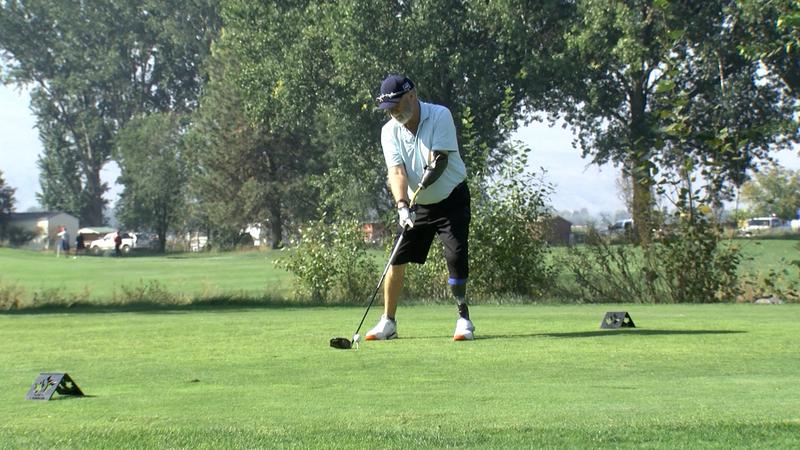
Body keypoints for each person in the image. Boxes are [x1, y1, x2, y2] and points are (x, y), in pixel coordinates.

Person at [365, 74, 475, 341]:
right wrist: (402, 205)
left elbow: (439, 162)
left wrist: (417, 192)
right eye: (388, 108)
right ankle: (388, 322)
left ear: (412, 96)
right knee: (396, 258)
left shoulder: (440, 115)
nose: (393, 112)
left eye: (396, 105)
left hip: (451, 199)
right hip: (417, 205)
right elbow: (396, 172)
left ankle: (463, 318)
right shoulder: (389, 131)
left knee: (455, 258)